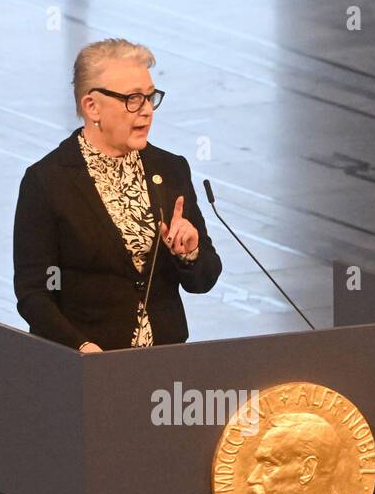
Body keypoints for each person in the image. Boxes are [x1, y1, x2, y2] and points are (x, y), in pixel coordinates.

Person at [12, 38, 222, 352]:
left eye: (151, 98)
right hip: (89, 369)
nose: (148, 111)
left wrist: (189, 253)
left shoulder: (171, 169)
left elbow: (203, 279)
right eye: (133, 99)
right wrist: (80, 346)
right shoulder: (47, 182)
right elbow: (34, 294)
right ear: (91, 106)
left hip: (167, 364)